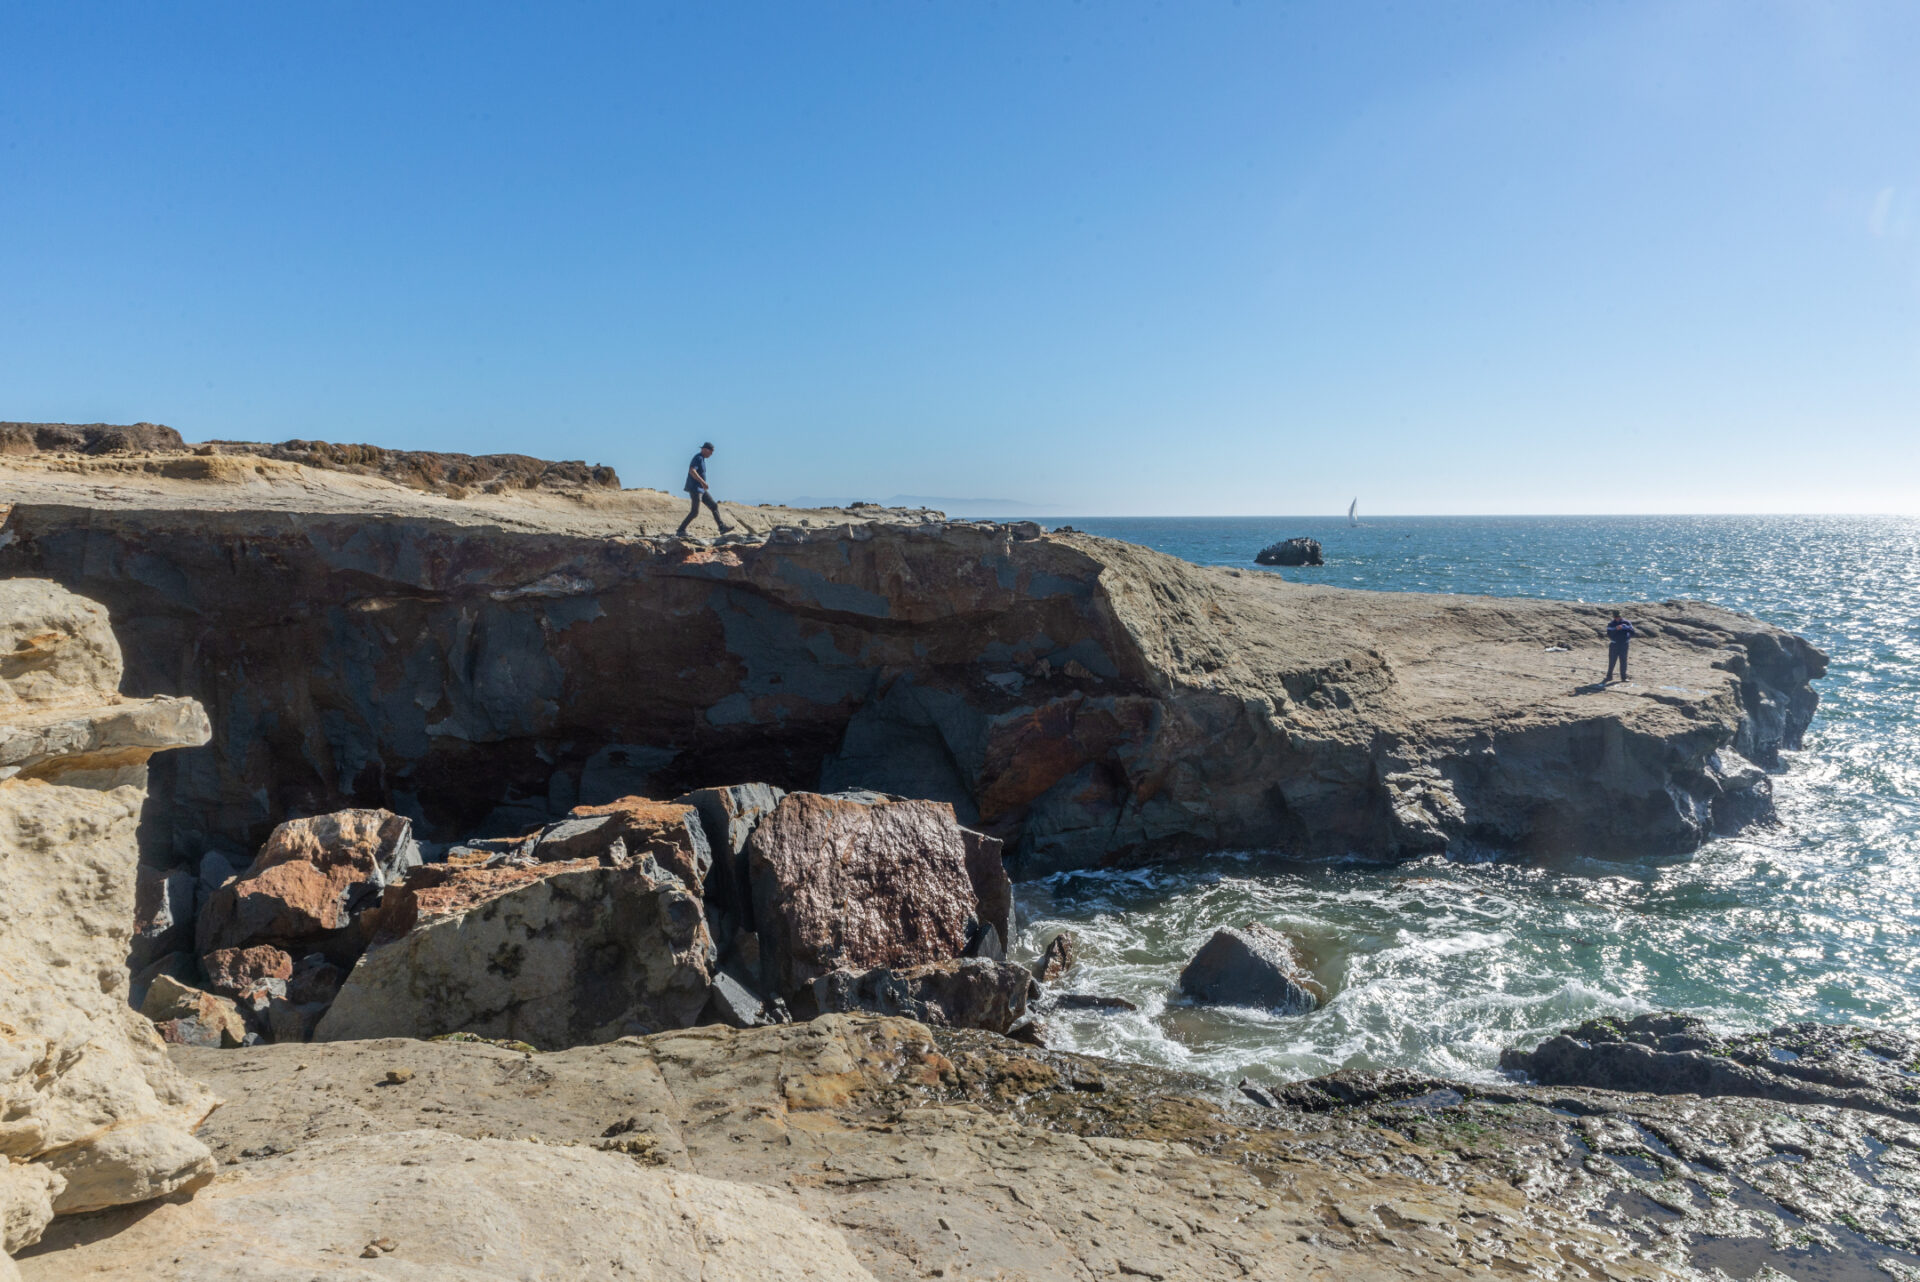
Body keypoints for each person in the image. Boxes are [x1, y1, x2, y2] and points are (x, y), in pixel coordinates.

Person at [677, 442, 731, 537]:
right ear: (705, 449)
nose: (711, 454)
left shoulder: (701, 459)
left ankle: (722, 528)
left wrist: (702, 484)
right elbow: (692, 470)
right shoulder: (698, 458)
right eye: (711, 452)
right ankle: (680, 530)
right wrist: (703, 482)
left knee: (714, 506)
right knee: (694, 512)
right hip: (695, 488)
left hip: (701, 489)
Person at [1604, 611, 1634, 683]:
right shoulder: (1611, 624)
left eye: (1619, 617)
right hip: (1614, 644)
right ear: (1614, 617)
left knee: (1623, 661)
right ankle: (1609, 676)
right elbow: (1609, 634)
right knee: (1612, 661)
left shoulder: (1626, 622)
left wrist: (1625, 628)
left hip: (1624, 644)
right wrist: (1616, 629)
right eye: (1616, 617)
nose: (1618, 618)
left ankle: (1623, 677)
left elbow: (1632, 632)